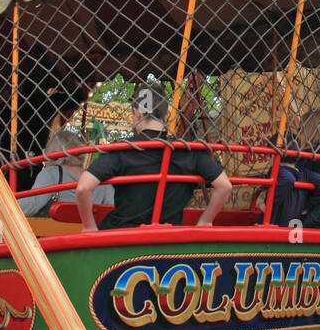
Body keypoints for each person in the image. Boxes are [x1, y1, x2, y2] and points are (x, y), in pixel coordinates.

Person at [75, 86, 231, 229]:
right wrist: (206, 220)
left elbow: (83, 188)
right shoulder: (189, 150)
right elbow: (224, 186)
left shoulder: (121, 150)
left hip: (123, 235)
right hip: (170, 235)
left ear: (137, 113)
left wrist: (89, 226)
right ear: (164, 114)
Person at [21, 129, 90, 218]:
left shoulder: (51, 174)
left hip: (56, 229)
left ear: (52, 150)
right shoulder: (97, 177)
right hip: (91, 229)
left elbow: (32, 204)